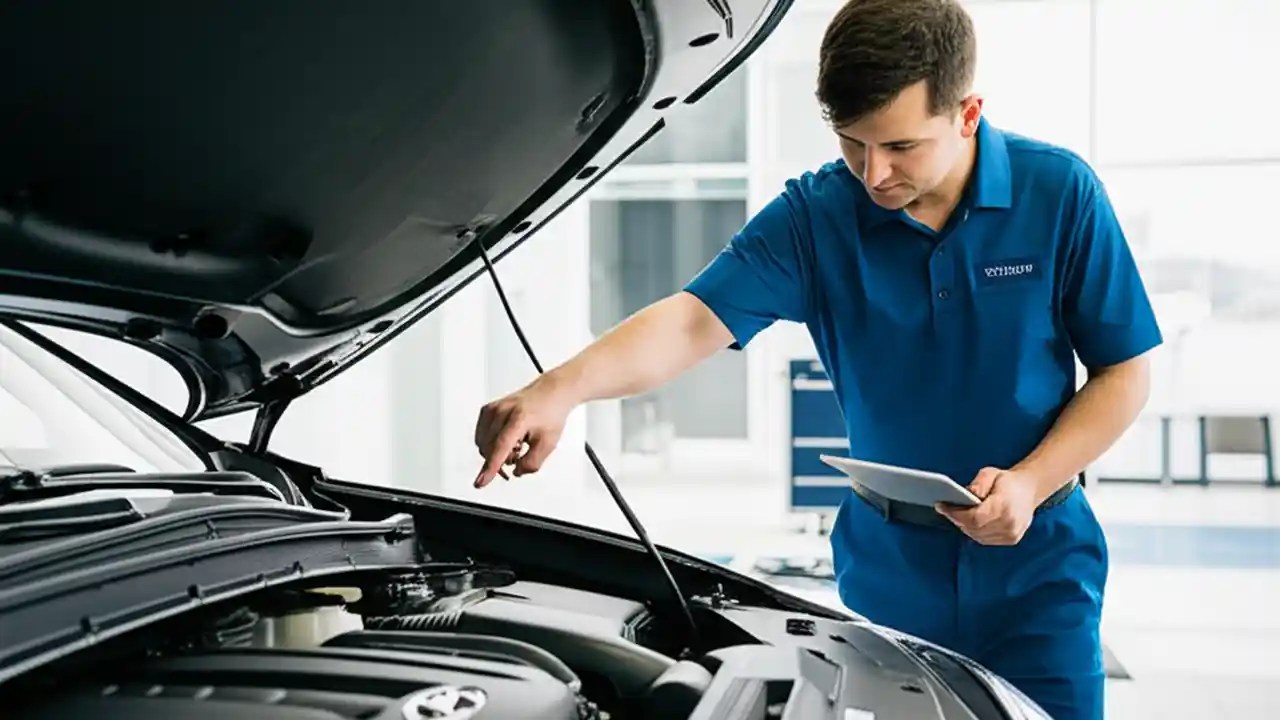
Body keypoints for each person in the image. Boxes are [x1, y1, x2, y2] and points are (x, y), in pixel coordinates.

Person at [473, 0, 1160, 717]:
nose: (873, 174)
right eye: (851, 143)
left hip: (1039, 566)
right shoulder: (815, 215)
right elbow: (689, 322)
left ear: (968, 113)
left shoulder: (1060, 193)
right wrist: (559, 389)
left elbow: (1125, 372)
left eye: (901, 147)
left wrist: (1029, 480)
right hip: (888, 570)